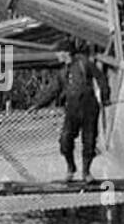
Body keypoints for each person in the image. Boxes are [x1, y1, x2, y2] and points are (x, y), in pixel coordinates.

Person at [31, 37, 111, 182]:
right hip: (72, 109)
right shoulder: (62, 72)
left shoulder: (84, 63)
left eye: (58, 53)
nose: (57, 56)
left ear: (66, 52)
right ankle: (71, 167)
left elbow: (101, 78)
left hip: (89, 108)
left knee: (89, 141)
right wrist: (38, 104)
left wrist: (105, 97)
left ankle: (86, 173)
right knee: (65, 140)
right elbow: (53, 90)